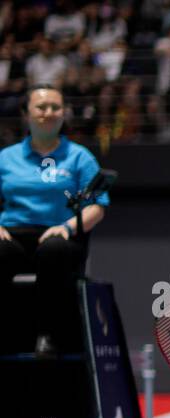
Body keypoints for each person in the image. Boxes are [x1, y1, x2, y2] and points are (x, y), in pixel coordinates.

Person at [0, 85, 111, 355]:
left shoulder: (80, 157)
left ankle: (48, 335)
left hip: (61, 236)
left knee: (54, 251)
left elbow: (97, 207)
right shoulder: (6, 158)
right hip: (13, 235)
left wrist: (66, 227)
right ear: (26, 114)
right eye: (41, 107)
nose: (48, 112)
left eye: (55, 107)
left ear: (63, 114)